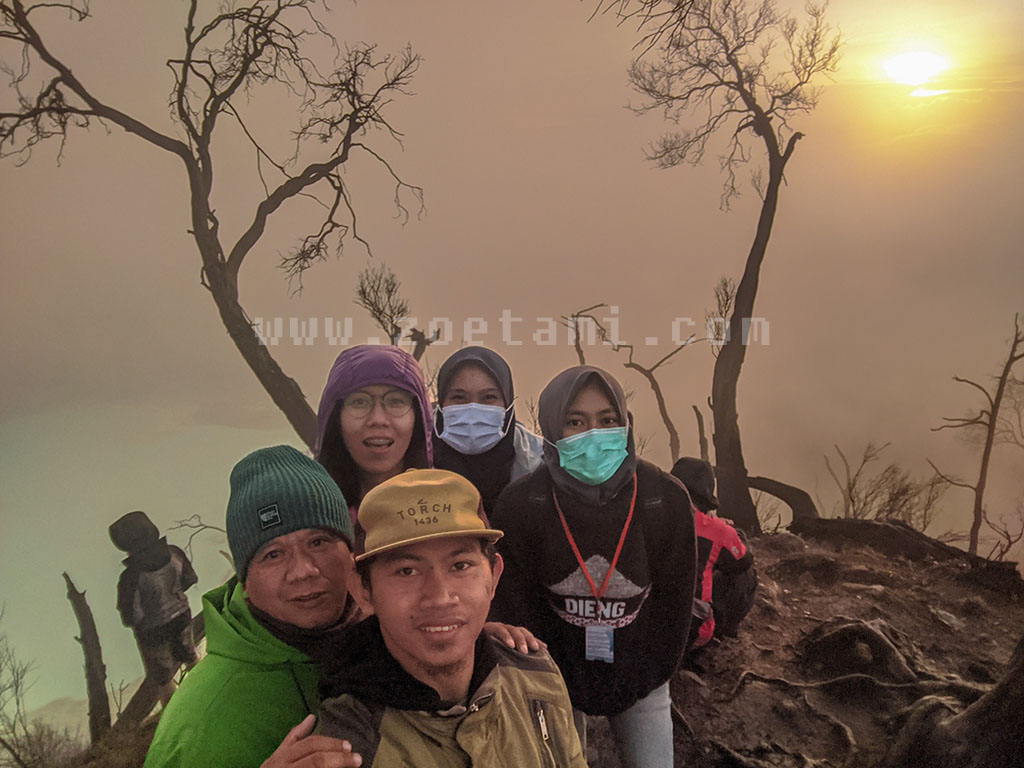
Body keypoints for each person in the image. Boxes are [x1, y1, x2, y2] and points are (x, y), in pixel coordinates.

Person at [489, 365, 697, 768]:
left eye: (607, 421)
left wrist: (645, 678)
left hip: (643, 680)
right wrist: (550, 676)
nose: (594, 434)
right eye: (575, 422)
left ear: (626, 424)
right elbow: (518, 604)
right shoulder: (521, 504)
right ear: (551, 429)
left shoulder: (664, 499)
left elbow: (675, 605)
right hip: (552, 676)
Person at [317, 469, 587, 768]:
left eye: (460, 565)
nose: (440, 596)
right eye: (407, 570)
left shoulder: (535, 673)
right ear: (363, 591)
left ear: (494, 576)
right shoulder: (349, 742)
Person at [144, 445, 363, 768]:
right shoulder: (201, 723)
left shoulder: (390, 641)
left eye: (318, 542)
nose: (303, 570)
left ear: (351, 551)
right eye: (273, 554)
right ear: (245, 582)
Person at [316, 345, 433, 519]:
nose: (378, 419)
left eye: (395, 401)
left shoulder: (450, 504)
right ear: (335, 417)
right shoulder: (313, 513)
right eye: (359, 402)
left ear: (419, 416)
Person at [432, 346, 543, 512]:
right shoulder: (413, 462)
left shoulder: (539, 465)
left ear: (508, 405)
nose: (472, 409)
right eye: (459, 397)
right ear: (441, 405)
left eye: (489, 397)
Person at [109, 511, 198, 707]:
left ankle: (175, 716)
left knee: (163, 678)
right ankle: (208, 692)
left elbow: (131, 615)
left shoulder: (130, 577)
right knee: (191, 657)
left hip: (152, 632)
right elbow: (190, 579)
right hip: (181, 615)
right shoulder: (174, 553)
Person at [670, 458, 757, 650]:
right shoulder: (716, 530)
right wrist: (733, 532)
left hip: (643, 622)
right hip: (690, 631)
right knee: (745, 573)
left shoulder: (647, 518)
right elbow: (743, 560)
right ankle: (725, 630)